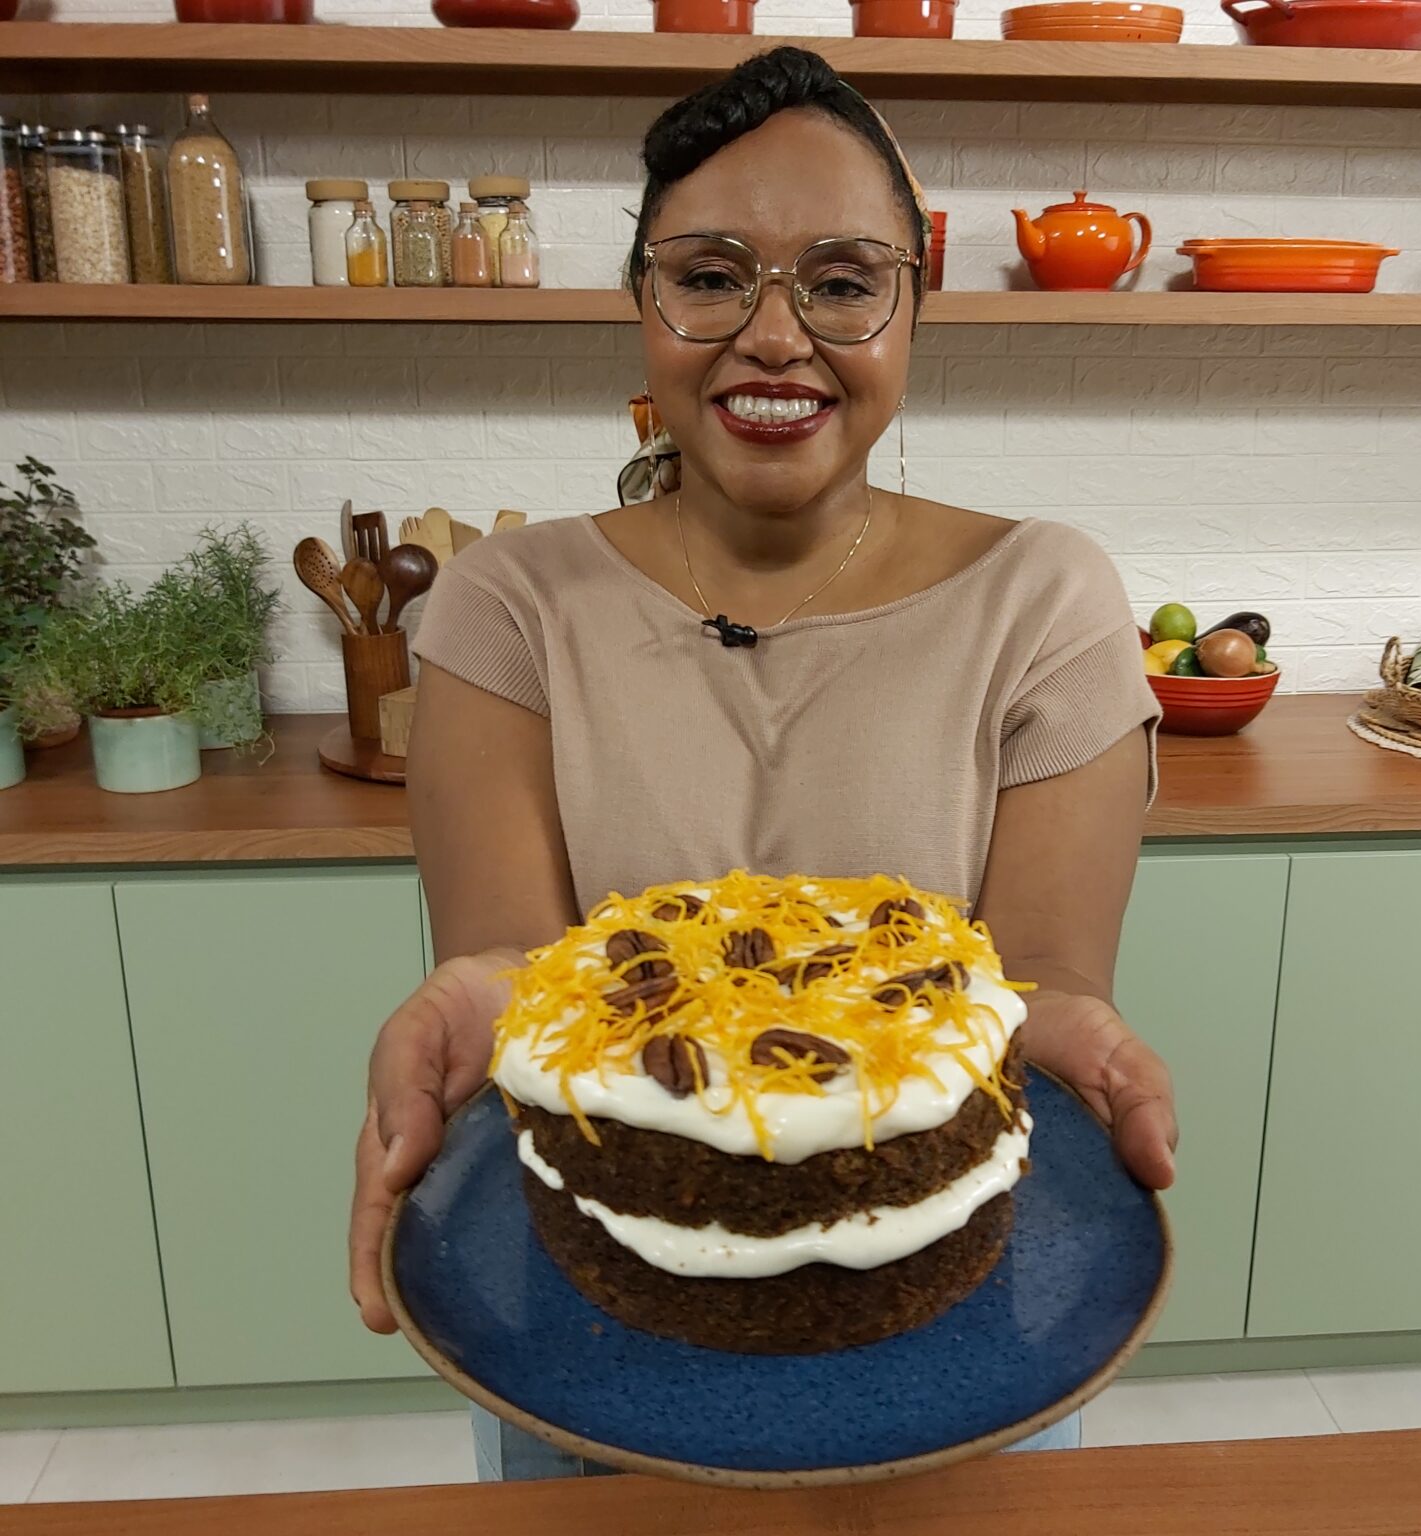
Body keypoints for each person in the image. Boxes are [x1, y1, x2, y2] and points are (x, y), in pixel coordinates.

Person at [349, 44, 1177, 1480]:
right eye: (712, 274)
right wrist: (472, 999)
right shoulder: (508, 603)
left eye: (845, 281)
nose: (776, 336)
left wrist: (1068, 1022)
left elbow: (1039, 984)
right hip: (598, 1342)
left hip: (955, 1348)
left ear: (913, 306)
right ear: (644, 306)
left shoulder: (1045, 597)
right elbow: (517, 970)